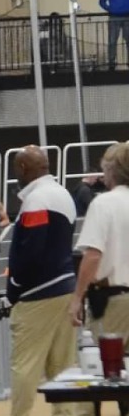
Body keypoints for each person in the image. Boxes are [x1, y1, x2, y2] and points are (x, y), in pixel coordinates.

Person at [0, 146, 92, 416]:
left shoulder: (36, 200)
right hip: (65, 286)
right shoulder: (60, 194)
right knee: (61, 363)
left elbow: (30, 253)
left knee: (25, 363)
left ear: (23, 167)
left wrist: (13, 290)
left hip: (38, 292)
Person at [71, 142, 129, 343]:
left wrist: (77, 297)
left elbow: (93, 255)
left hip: (113, 300)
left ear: (112, 171)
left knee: (108, 366)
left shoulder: (104, 204)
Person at [102, 0, 129, 69]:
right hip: (114, 18)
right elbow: (102, 1)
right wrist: (110, 9)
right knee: (112, 41)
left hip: (127, 17)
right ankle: (112, 63)